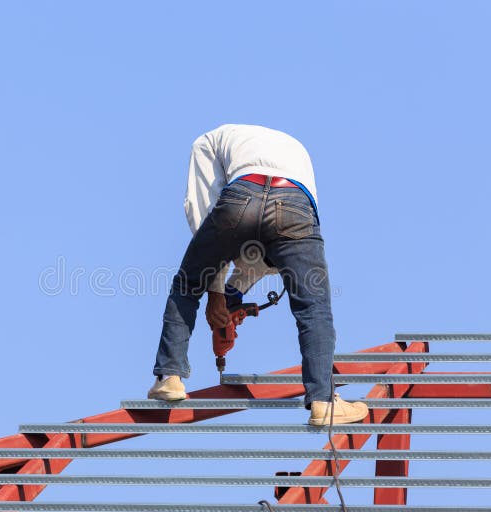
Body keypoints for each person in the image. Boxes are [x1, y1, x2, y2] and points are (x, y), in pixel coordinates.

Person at [148, 124, 368, 425]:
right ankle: (323, 402)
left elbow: (203, 210)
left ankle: (170, 377)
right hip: (296, 205)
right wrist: (227, 296)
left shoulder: (208, 141)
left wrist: (217, 293)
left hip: (242, 196)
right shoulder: (295, 148)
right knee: (313, 307)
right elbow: (272, 238)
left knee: (188, 284)